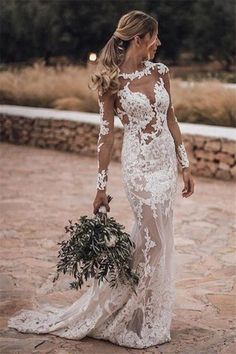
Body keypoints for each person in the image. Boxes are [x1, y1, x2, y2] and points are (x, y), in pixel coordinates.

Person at [8, 10, 194, 349]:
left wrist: (185, 165)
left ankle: (144, 310)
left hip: (165, 164)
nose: (159, 42)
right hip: (138, 168)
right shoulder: (112, 81)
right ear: (138, 39)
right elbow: (105, 136)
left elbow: (172, 119)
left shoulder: (161, 72)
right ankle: (132, 313)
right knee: (155, 243)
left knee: (156, 240)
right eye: (154, 36)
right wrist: (101, 186)